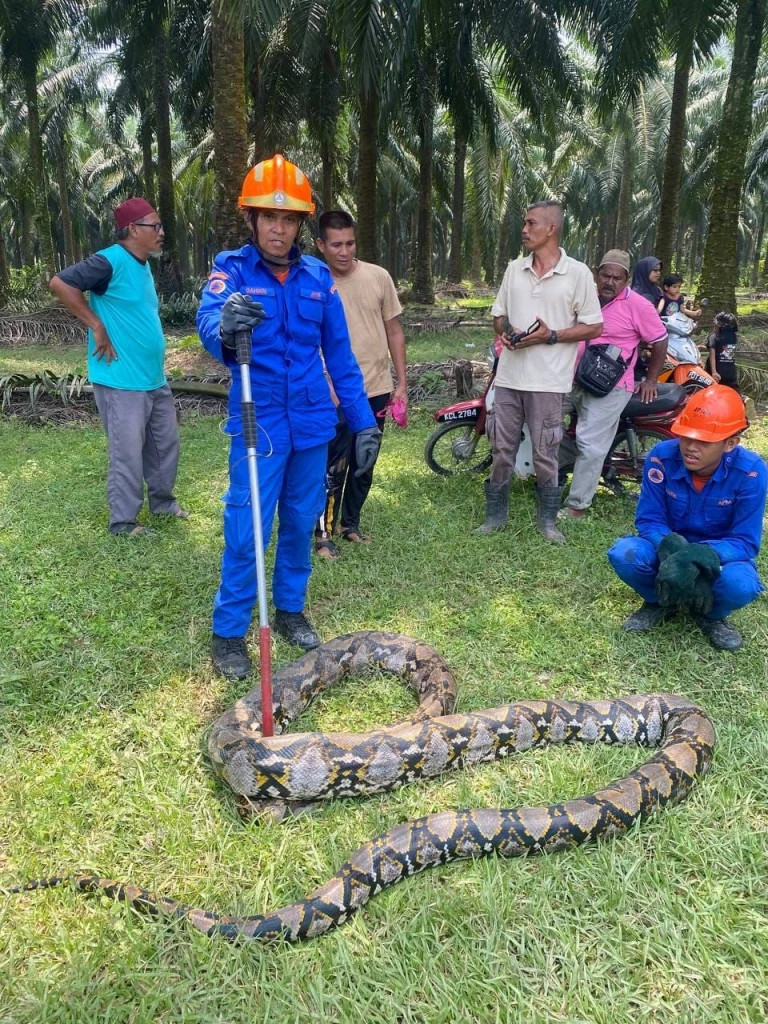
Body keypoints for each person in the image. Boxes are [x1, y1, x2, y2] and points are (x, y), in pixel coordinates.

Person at [196, 154, 379, 679]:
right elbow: (209, 321)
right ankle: (230, 632)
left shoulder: (319, 278)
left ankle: (291, 609)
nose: (279, 229)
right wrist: (225, 324)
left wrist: (363, 423)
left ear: (301, 224)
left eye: (289, 219)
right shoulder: (232, 269)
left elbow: (341, 358)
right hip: (261, 421)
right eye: (269, 218)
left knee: (301, 521)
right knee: (247, 525)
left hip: (315, 423)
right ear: (252, 220)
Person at [49, 198, 186, 536]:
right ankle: (123, 522)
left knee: (165, 445)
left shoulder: (141, 264)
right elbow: (61, 283)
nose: (161, 232)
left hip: (152, 378)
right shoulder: (109, 260)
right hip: (121, 378)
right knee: (127, 454)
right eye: (154, 226)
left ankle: (163, 503)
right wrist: (95, 324)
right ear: (133, 230)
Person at [474, 200, 603, 543]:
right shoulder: (514, 270)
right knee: (502, 448)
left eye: (531, 224)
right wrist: (505, 329)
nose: (524, 229)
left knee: (546, 452)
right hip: (509, 379)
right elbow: (497, 315)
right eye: (524, 223)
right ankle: (495, 516)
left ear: (552, 229)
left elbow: (593, 327)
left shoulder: (577, 274)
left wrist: (552, 336)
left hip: (549, 383)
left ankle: (547, 523)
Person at [607, 385, 766, 652]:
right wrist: (676, 550)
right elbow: (649, 520)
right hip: (667, 546)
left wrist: (700, 557)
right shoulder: (661, 458)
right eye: (686, 436)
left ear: (730, 443)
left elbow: (745, 542)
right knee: (625, 554)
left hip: (719, 555)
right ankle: (658, 601)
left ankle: (710, 615)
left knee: (742, 585)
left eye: (704, 441)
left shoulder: (751, 473)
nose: (690, 447)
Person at [313, 210, 407, 558]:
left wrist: (401, 384)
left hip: (376, 388)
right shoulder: (313, 280)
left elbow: (394, 332)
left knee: (364, 462)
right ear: (321, 244)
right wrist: (325, 381)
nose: (344, 251)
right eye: (335, 244)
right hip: (334, 393)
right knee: (330, 468)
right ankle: (322, 534)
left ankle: (348, 523)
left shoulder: (378, 277)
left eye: (349, 243)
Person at [559, 250, 669, 519]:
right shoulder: (583, 298)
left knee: (592, 444)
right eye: (605, 275)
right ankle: (568, 463)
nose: (610, 282)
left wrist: (651, 379)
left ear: (626, 279)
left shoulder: (639, 305)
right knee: (536, 417)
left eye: (616, 278)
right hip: (569, 378)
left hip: (611, 385)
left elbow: (660, 340)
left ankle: (577, 506)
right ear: (597, 274)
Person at [706, 311, 740, 392]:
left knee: (715, 393)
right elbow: (724, 349)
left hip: (718, 372)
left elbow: (712, 355)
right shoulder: (733, 336)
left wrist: (714, 372)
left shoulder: (714, 337)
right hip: (730, 372)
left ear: (718, 325)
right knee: (733, 392)